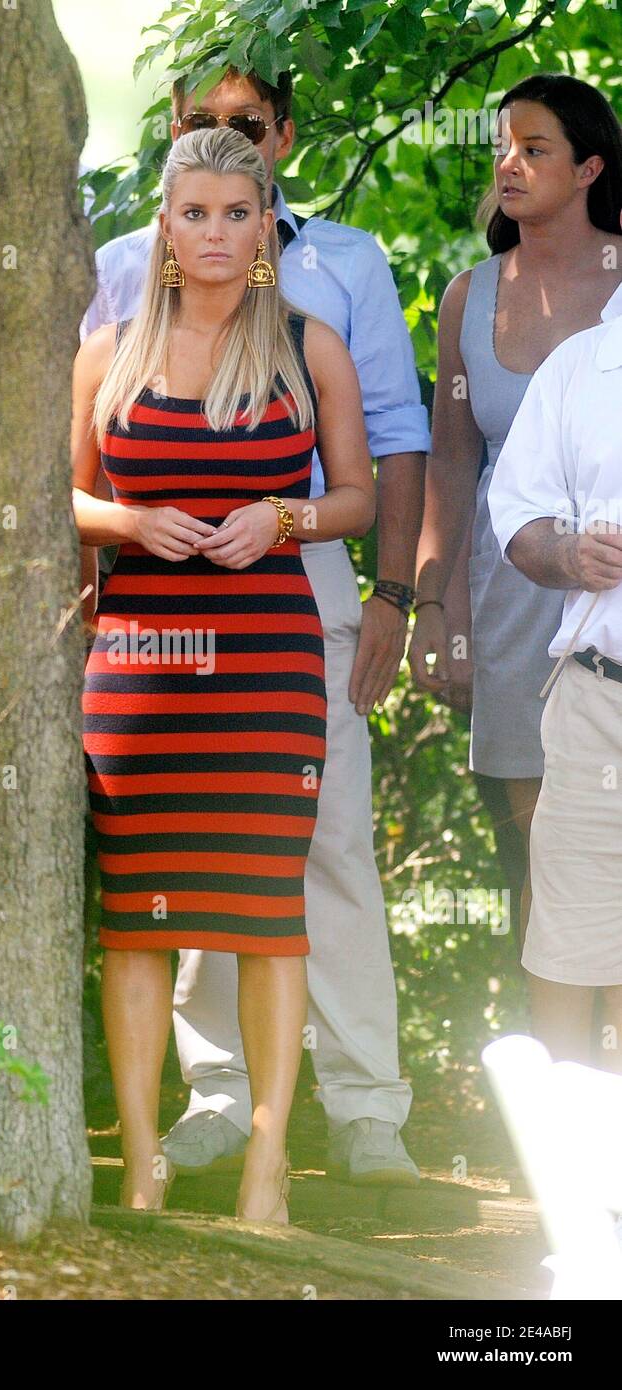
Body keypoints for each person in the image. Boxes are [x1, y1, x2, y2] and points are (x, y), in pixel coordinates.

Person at [83, 63, 427, 1185]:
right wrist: (134, 523)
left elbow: (380, 458)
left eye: (237, 202)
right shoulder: (114, 308)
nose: (216, 228)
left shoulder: (333, 295)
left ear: (276, 147)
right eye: (194, 203)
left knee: (300, 871)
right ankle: (206, 1109)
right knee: (159, 897)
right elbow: (65, 487)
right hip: (142, 649)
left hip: (287, 624)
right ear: (166, 210)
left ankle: (353, 1114)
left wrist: (364, 573)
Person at [409, 75, 622, 943]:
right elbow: (452, 466)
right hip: (506, 594)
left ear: (590, 168)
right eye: (503, 147)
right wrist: (437, 606)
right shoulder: (470, 294)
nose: (510, 164)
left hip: (610, 588)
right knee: (536, 844)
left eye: (535, 150)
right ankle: (559, 1058)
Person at [488, 216, 622, 1070]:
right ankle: (578, 1182)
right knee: (570, 945)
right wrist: (569, 552)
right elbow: (518, 520)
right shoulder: (580, 366)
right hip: (598, 699)